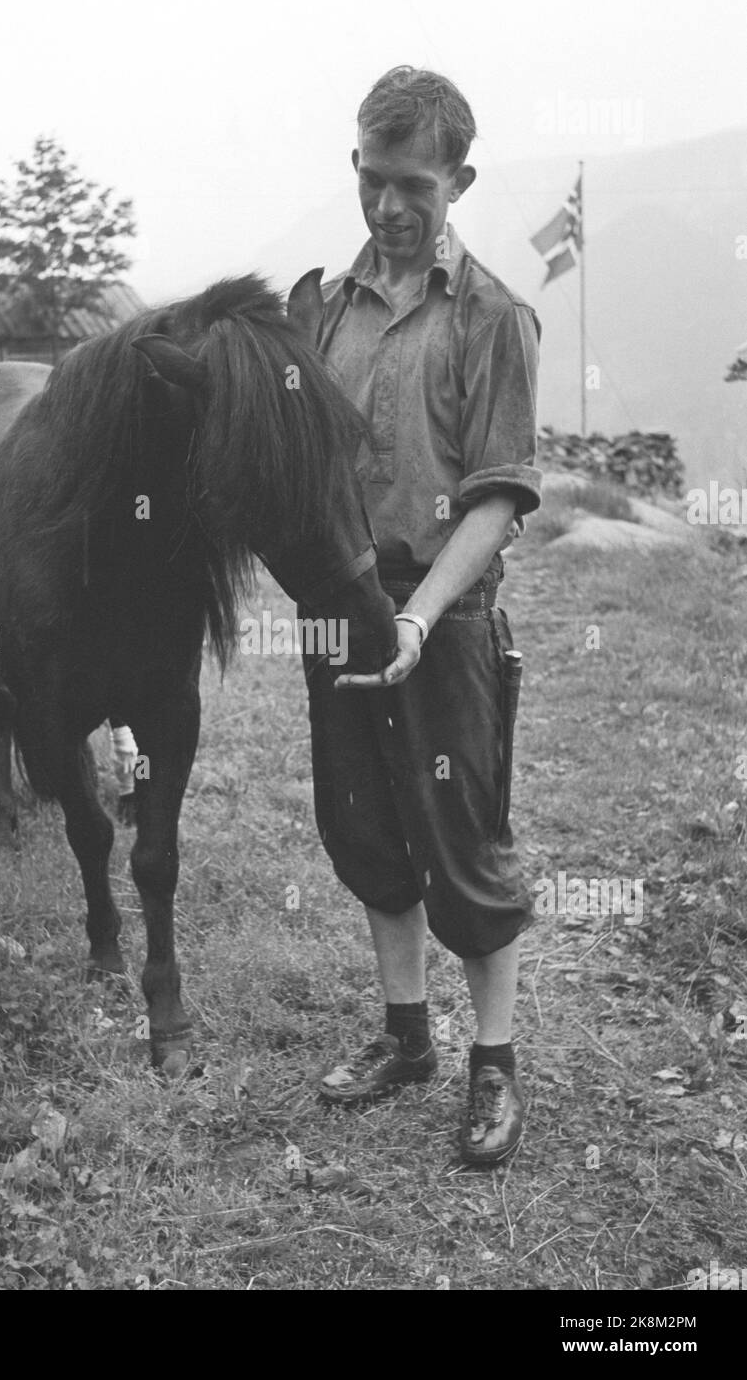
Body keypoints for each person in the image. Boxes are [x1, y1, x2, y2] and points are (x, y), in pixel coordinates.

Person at [304, 65, 543, 1166]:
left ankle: (491, 1061)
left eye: (413, 184)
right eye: (371, 178)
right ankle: (407, 1039)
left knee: (465, 848)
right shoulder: (321, 306)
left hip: (442, 622)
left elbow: (494, 497)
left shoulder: (493, 317)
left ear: (458, 180)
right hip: (341, 611)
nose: (389, 207)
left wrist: (420, 613)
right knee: (363, 830)